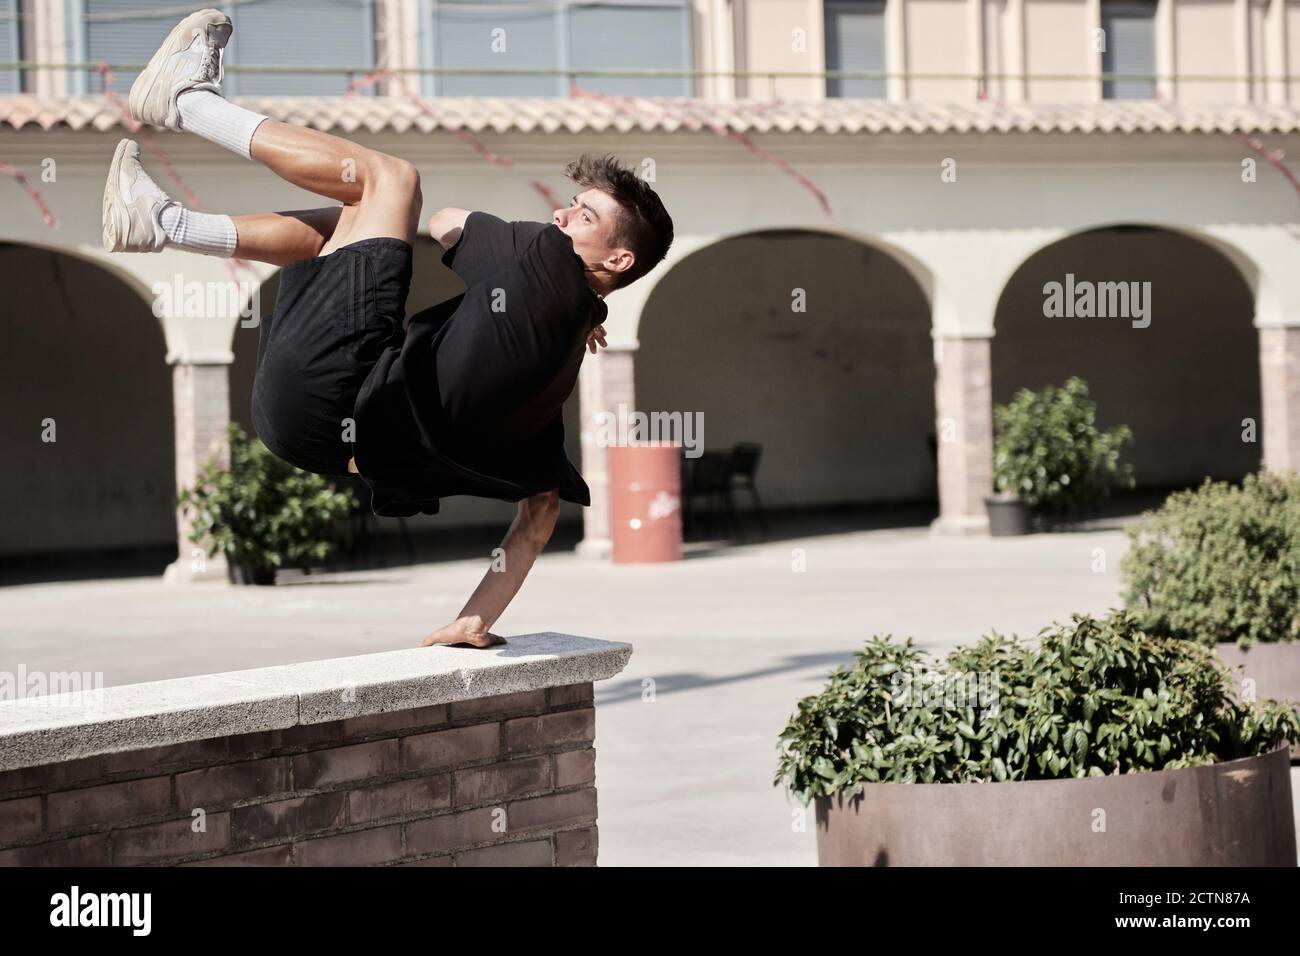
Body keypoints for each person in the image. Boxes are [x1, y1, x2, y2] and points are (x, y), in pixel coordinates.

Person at [102, 9, 674, 647]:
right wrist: (476, 617)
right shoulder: (555, 379)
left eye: (585, 215)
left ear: (619, 260)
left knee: (390, 182)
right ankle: (163, 224)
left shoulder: (543, 256)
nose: (563, 214)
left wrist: (522, 262)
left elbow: (448, 223)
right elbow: (539, 518)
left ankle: (186, 104)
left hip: (333, 389)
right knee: (348, 230)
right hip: (307, 436)